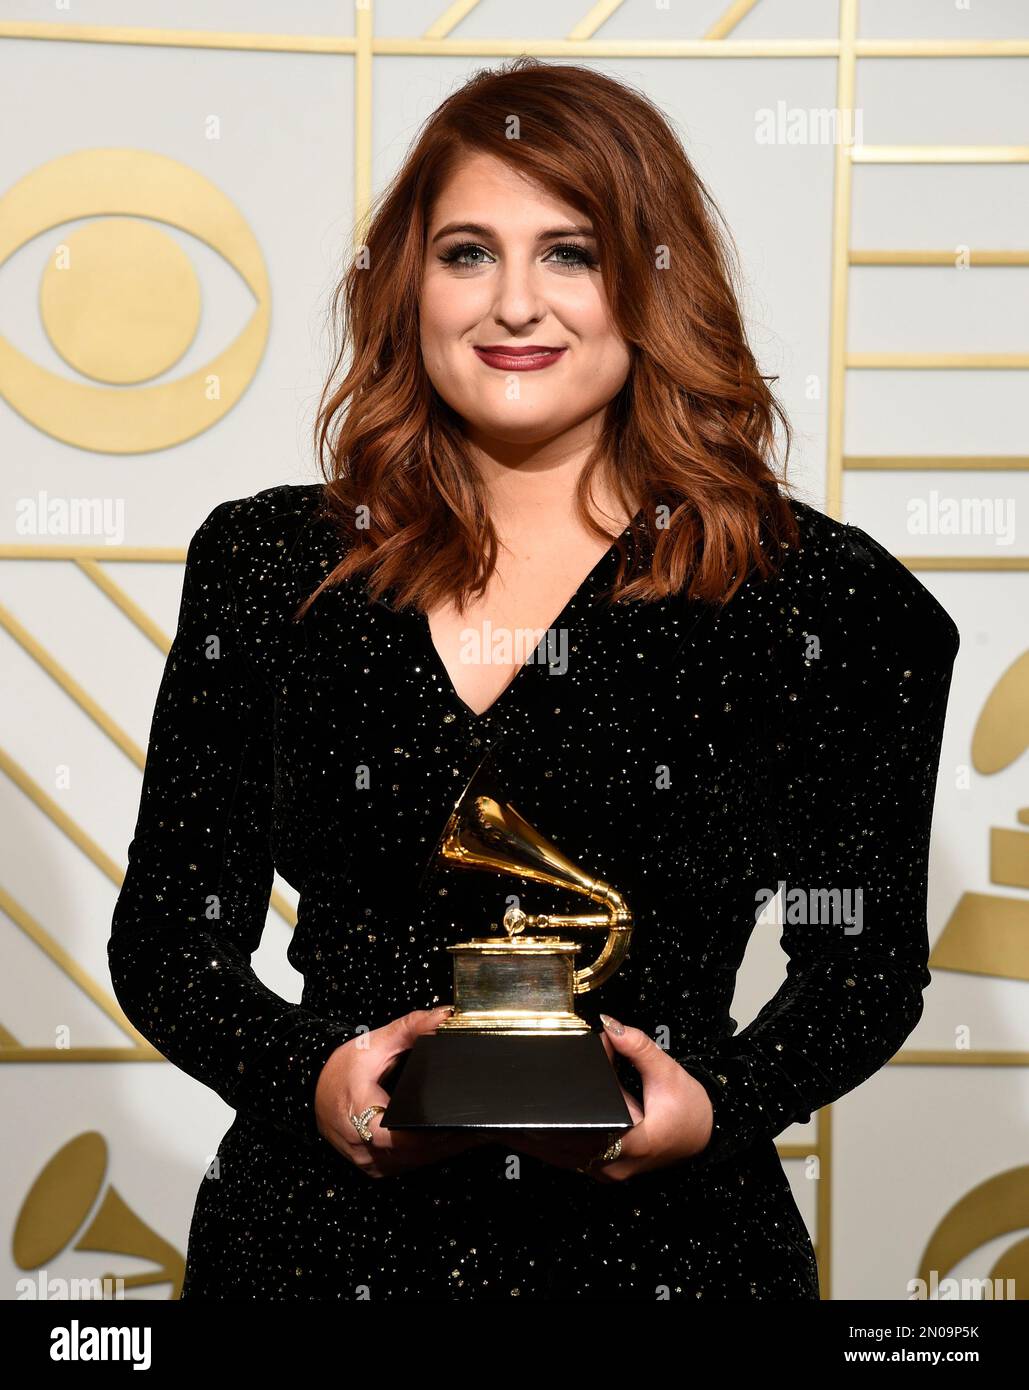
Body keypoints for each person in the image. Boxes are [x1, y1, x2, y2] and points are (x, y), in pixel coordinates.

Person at [108, 58, 960, 1301]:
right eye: (466, 253)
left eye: (571, 252)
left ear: (653, 282)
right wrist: (312, 1079)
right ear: (409, 285)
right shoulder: (268, 564)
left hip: (673, 1261)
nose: (515, 303)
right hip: (313, 1252)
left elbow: (861, 965)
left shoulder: (816, 596)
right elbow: (172, 940)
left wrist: (717, 1103)